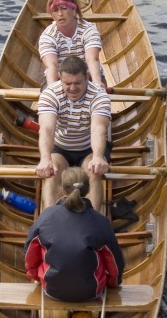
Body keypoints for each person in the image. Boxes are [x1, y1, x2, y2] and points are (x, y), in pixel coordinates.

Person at [24, 167, 124, 303]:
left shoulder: (45, 218)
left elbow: (30, 256)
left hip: (52, 290)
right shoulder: (101, 222)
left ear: (63, 190)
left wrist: (35, 276)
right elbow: (114, 263)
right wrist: (114, 283)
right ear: (88, 190)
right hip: (91, 292)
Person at [35, 55, 111, 212]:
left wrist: (97, 157)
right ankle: (51, 220)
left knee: (93, 171)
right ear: (59, 79)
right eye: (67, 83)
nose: (72, 88)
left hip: (88, 148)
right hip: (61, 148)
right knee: (52, 171)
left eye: (77, 83)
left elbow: (98, 129)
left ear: (87, 78)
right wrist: (45, 159)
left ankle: (93, 222)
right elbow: (47, 129)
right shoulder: (50, 94)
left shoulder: (99, 95)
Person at [38, 0, 105, 88]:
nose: (60, 14)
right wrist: (52, 89)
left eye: (64, 8)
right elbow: (52, 65)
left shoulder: (89, 30)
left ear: (74, 10)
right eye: (55, 10)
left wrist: (97, 83)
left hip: (87, 75)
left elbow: (92, 59)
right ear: (52, 15)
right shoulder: (48, 36)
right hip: (59, 78)